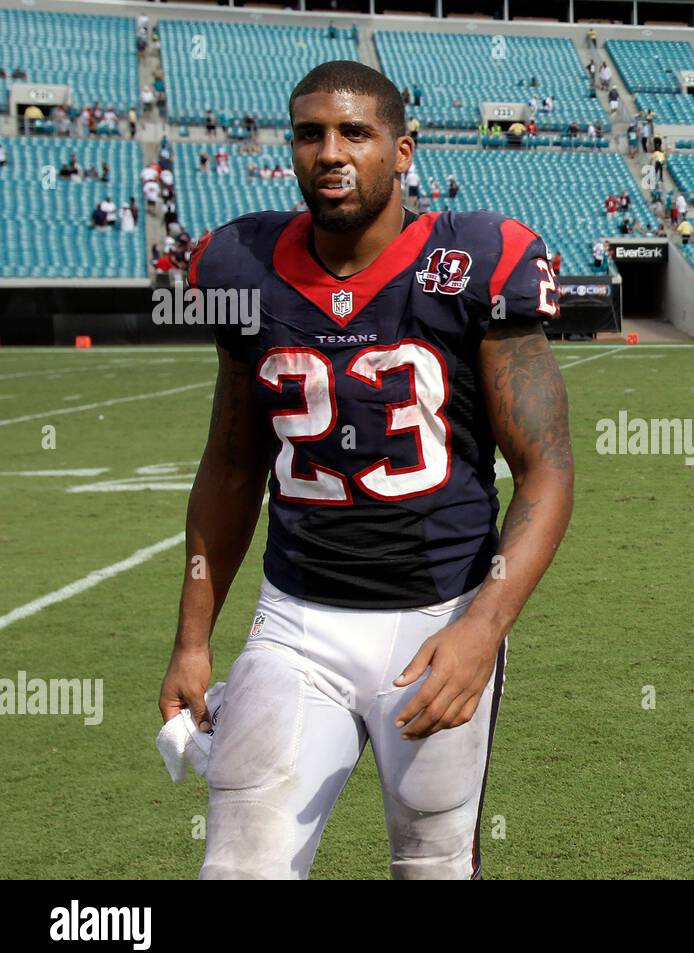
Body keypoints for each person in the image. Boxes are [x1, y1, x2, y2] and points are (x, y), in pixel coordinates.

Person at [159, 60, 573, 881]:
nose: (331, 152)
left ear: (403, 149)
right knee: (239, 868)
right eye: (310, 133)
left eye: (355, 132)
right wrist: (192, 640)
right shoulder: (240, 267)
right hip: (297, 622)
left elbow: (546, 468)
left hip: (437, 620)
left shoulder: (476, 260)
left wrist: (483, 628)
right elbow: (233, 466)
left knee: (433, 864)